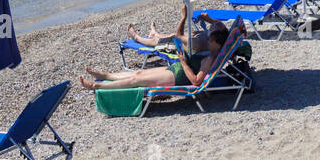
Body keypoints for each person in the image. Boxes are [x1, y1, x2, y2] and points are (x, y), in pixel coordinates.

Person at [80, 32, 226, 93]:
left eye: (210, 41)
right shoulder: (211, 53)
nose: (207, 41)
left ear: (218, 45)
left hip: (178, 77)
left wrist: (183, 62)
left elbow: (196, 82)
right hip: (177, 69)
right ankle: (105, 76)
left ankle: (96, 86)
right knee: (139, 72)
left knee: (136, 80)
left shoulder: (209, 60)